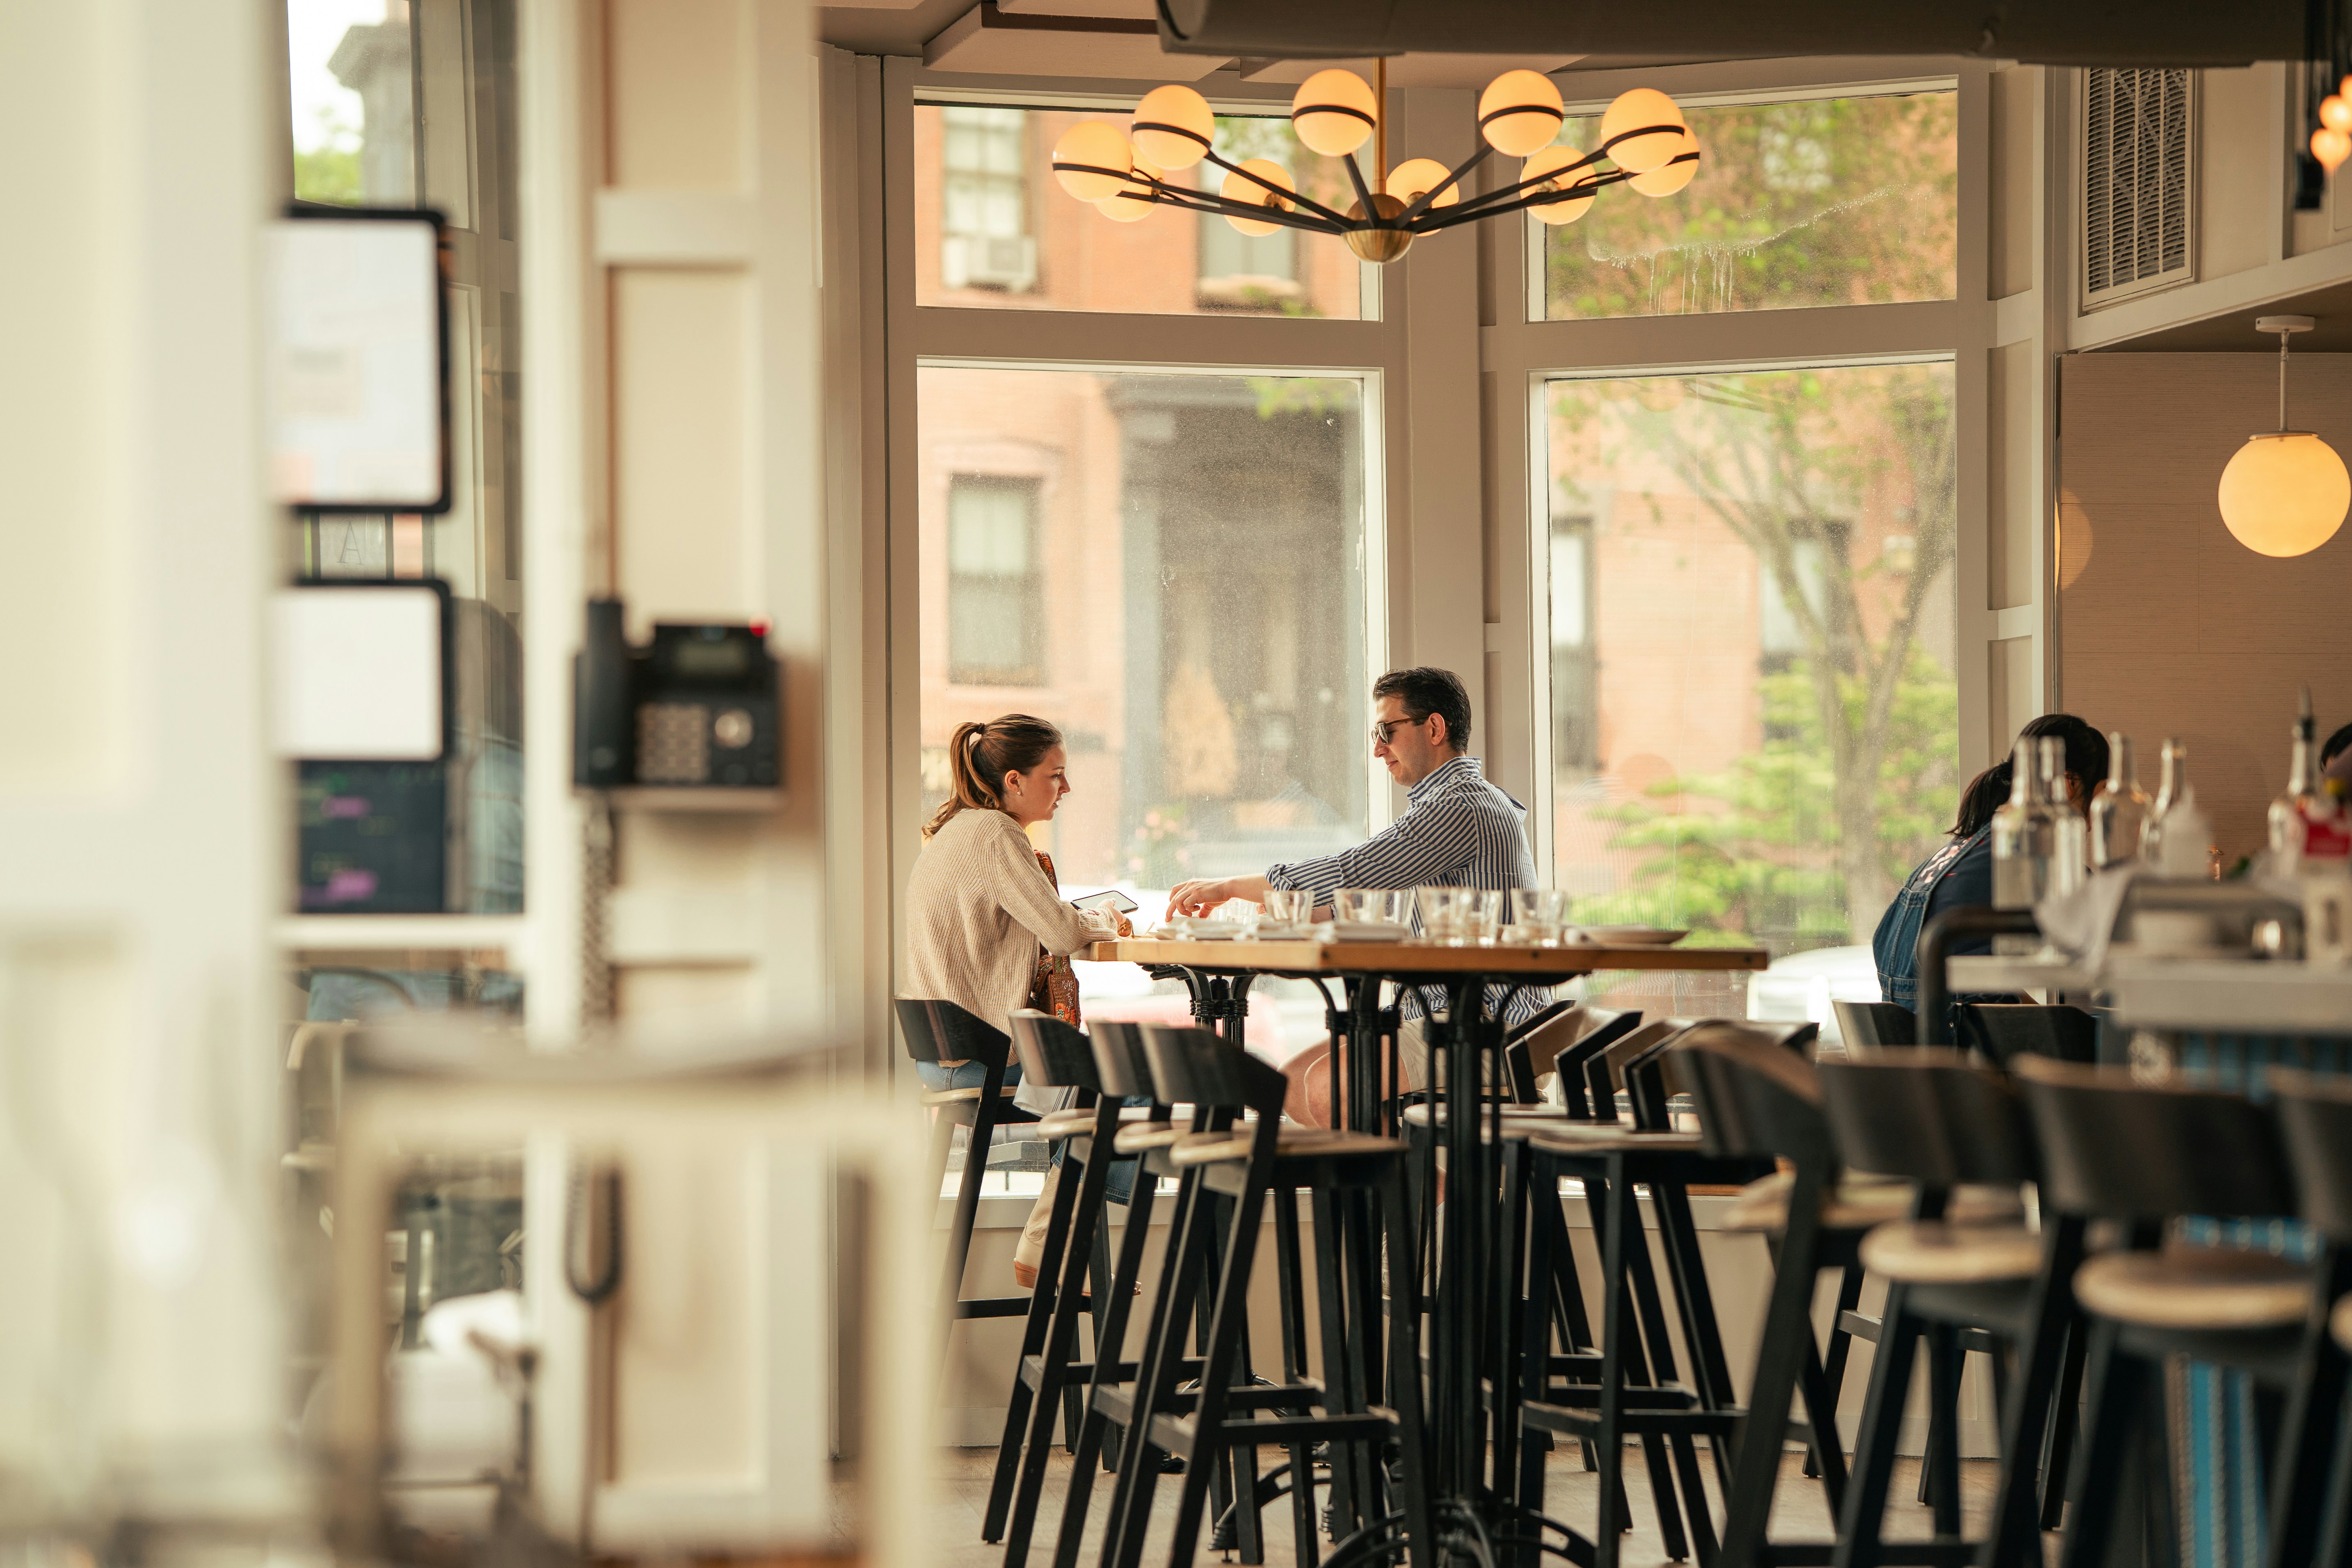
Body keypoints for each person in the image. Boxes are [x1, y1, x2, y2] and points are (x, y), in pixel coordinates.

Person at [1167, 666, 1540, 1094]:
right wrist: (1284, 908)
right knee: (1292, 1086)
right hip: (1443, 1018)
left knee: (1323, 1091)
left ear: (1434, 727)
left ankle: (1394, 1162)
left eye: (1387, 730)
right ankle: (1396, 1160)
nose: (1378, 748)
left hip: (1487, 1028)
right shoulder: (1448, 802)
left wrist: (1229, 886)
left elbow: (1353, 875)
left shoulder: (1460, 807)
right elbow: (1365, 901)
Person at [902, 713, 1128, 1286]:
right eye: (1055, 775)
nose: (1066, 788)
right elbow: (1065, 933)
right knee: (1133, 1080)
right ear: (1013, 781)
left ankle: (1058, 1235)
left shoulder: (956, 832)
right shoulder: (997, 835)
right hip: (984, 1059)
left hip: (945, 1055)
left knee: (1113, 1092)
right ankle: (1052, 1240)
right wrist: (1106, 916)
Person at [1872, 713, 2109, 1012]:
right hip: (1954, 1041)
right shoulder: (2033, 845)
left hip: (1913, 1036)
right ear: (2066, 785)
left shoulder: (1968, 844)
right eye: (2104, 795)